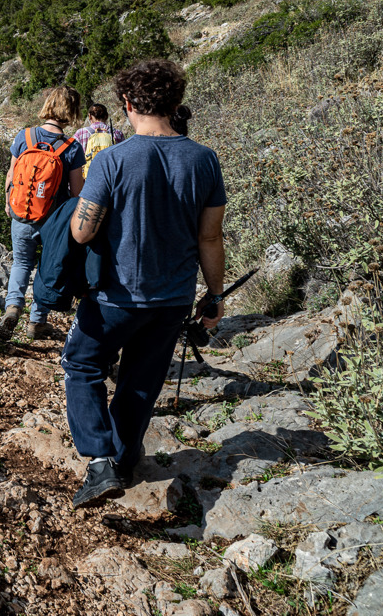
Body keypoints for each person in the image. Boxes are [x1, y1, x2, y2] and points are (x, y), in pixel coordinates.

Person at [62, 59, 226, 509]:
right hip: (172, 298)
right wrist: (214, 295)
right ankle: (126, 456)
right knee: (141, 380)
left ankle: (99, 461)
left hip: (117, 294)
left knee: (82, 364)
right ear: (175, 104)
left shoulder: (114, 159)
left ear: (128, 104)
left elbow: (82, 231)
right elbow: (209, 237)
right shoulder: (204, 161)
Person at [1, 85, 86, 341]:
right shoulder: (71, 147)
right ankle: (37, 322)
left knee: (21, 262)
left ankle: (13, 307)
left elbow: (11, 174)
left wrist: (9, 203)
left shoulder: (24, 136)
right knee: (47, 268)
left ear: (48, 105)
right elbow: (77, 192)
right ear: (72, 110)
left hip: (22, 213)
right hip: (54, 220)